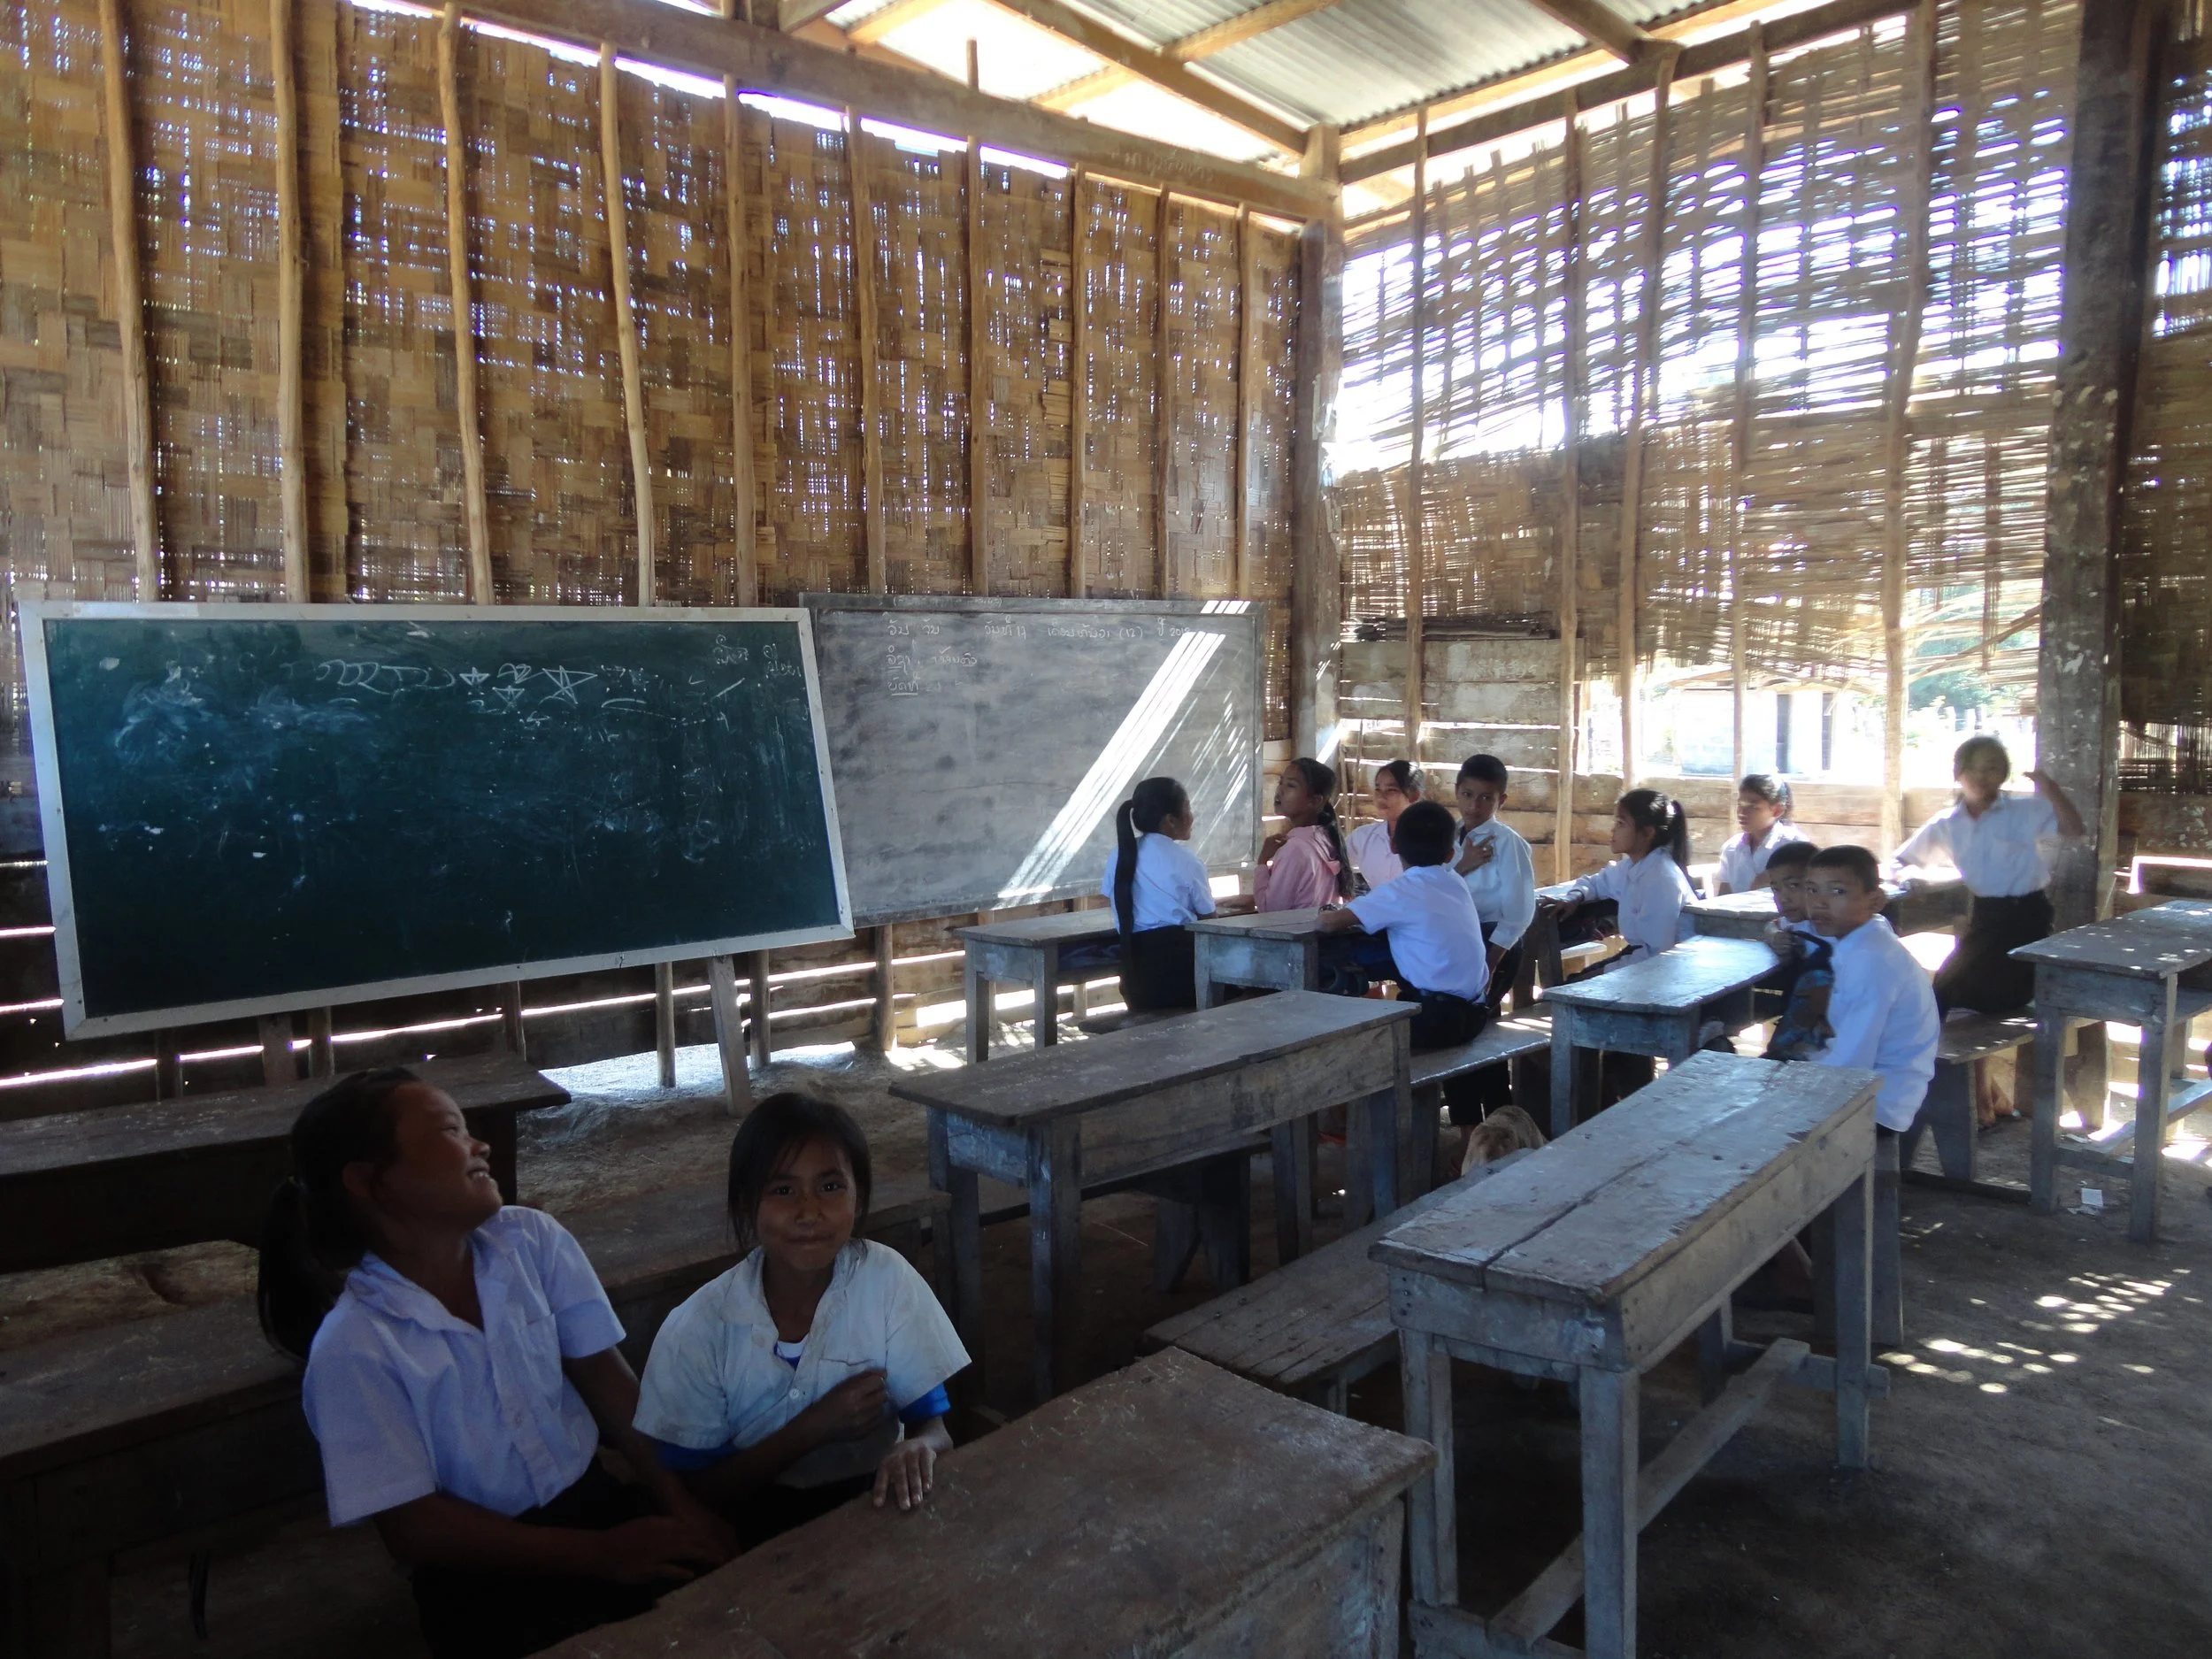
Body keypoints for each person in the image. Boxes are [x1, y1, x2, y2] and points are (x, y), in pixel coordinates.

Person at [262, 1069, 733, 1659]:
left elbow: (607, 1381)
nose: (480, 1144)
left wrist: (680, 1503)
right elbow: (414, 1528)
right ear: (370, 1181)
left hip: (596, 1504)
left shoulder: (531, 1241)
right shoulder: (355, 1345)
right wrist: (602, 1555)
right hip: (481, 1572)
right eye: (450, 1130)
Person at [634, 1093, 969, 1549]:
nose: (809, 1212)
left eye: (830, 1187)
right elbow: (703, 1491)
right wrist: (816, 1427)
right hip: (752, 1531)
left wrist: (919, 1447)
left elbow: (934, 1426)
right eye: (783, 1190)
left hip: (876, 1501)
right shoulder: (699, 1329)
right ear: (747, 1205)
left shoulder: (886, 1280)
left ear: (859, 1196)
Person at [1889, 735, 2085, 1015]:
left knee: (1986, 992)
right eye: (1973, 769)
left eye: (1991, 768)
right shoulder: (1947, 824)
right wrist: (1910, 876)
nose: (1981, 776)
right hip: (1987, 915)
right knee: (1947, 990)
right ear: (1959, 773)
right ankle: (1943, 1055)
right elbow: (1901, 859)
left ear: (2003, 774)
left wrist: (2051, 790)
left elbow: (2074, 830)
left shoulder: (2024, 810)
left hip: (2029, 915)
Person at [1317, 800, 1491, 1049]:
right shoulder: (1454, 880)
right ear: (1450, 854)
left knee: (1348, 1045)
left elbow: (1327, 925)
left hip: (1437, 1020)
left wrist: (1326, 912)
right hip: (1476, 1013)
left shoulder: (1400, 890)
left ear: (1394, 845)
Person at [1801, 845, 1941, 1137]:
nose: (1819, 903)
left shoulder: (1872, 961)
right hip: (1871, 1084)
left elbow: (1852, 1064)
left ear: (1874, 900)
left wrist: (1793, 1083)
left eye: (1837, 892)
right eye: (1812, 890)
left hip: (1879, 1103)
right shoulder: (1865, 937)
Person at [1540, 788, 1697, 966]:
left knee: (1570, 987)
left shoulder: (1661, 879)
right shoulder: (1632, 866)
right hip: (1645, 959)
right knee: (1573, 983)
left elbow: (1657, 956)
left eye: (1621, 823)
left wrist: (1602, 973)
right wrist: (1575, 896)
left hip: (1668, 970)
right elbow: (1596, 883)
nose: (1613, 830)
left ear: (1647, 833)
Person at [1101, 775, 1215, 1011]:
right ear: (1170, 820)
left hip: (1136, 979)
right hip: (1182, 974)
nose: (1191, 817)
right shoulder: (1186, 860)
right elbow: (1209, 919)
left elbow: (1110, 898)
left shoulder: (1119, 855)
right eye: (1187, 809)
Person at [1449, 754, 1538, 1005]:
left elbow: (1519, 912)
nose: (1474, 806)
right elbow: (1435, 889)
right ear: (1456, 791)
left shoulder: (1508, 843)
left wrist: (1490, 962)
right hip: (1457, 937)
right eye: (1467, 795)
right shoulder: (1449, 837)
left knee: (1478, 1015)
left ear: (1502, 801)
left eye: (1486, 798)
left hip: (1494, 943)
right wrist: (1463, 866)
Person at [1759, 841, 1834, 1062]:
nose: (1783, 898)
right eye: (1776, 889)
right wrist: (1774, 935)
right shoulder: (1800, 924)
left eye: (1794, 886)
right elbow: (1773, 924)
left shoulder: (1837, 927)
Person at [1255, 757, 1353, 912]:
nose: (1280, 790)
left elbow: (1270, 912)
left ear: (1315, 801)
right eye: (1281, 782)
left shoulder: (1294, 849)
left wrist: (1262, 862)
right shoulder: (1326, 839)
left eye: (1291, 785)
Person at [1714, 774, 1808, 895]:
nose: (1742, 813)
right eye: (1740, 805)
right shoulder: (1731, 848)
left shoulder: (1795, 845)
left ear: (1777, 810)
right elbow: (1723, 898)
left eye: (1753, 806)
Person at [1348, 759, 1421, 890]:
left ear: (1414, 796)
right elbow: (1335, 864)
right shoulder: (1363, 837)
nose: (1381, 797)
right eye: (1377, 789)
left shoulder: (1433, 842)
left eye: (1391, 790)